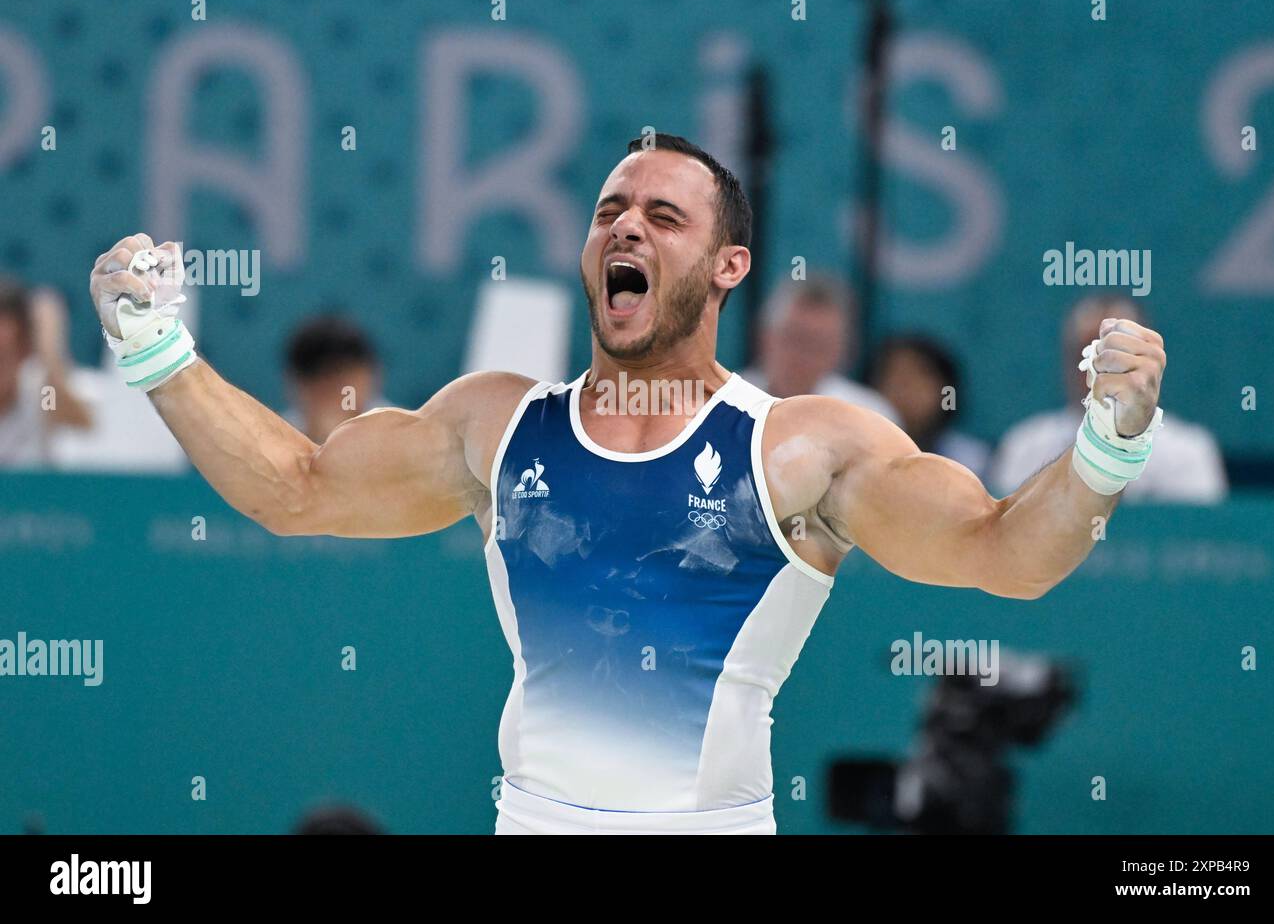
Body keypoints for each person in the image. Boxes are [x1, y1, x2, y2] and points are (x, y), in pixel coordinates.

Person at [86, 134, 1169, 835]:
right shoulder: (496, 422)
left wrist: (1105, 448)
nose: (625, 226)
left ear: (729, 268)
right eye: (611, 208)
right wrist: (158, 356)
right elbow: (298, 486)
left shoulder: (804, 446)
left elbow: (1002, 555)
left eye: (663, 216)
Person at [989, 295, 1225, 503]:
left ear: (1151, 364)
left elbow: (1196, 540)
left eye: (1118, 356)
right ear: (1068, 362)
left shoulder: (1189, 452)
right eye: (1088, 355)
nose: (1101, 370)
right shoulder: (1023, 446)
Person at [743, 273, 897, 423]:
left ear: (842, 351)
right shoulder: (728, 400)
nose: (804, 356)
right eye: (796, 338)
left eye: (818, 346)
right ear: (765, 336)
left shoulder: (872, 417)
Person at [0, 278, 93, 467]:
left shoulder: (41, 393)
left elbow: (73, 421)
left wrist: (49, 352)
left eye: (4, 357)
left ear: (25, 350)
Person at [871, 334, 990, 480]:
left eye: (920, 376)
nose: (905, 387)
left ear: (947, 392)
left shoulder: (973, 460)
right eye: (894, 375)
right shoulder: (860, 454)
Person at [282, 315, 389, 444]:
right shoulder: (275, 437)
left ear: (371, 373)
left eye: (340, 374)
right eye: (315, 375)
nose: (330, 390)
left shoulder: (402, 431)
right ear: (293, 383)